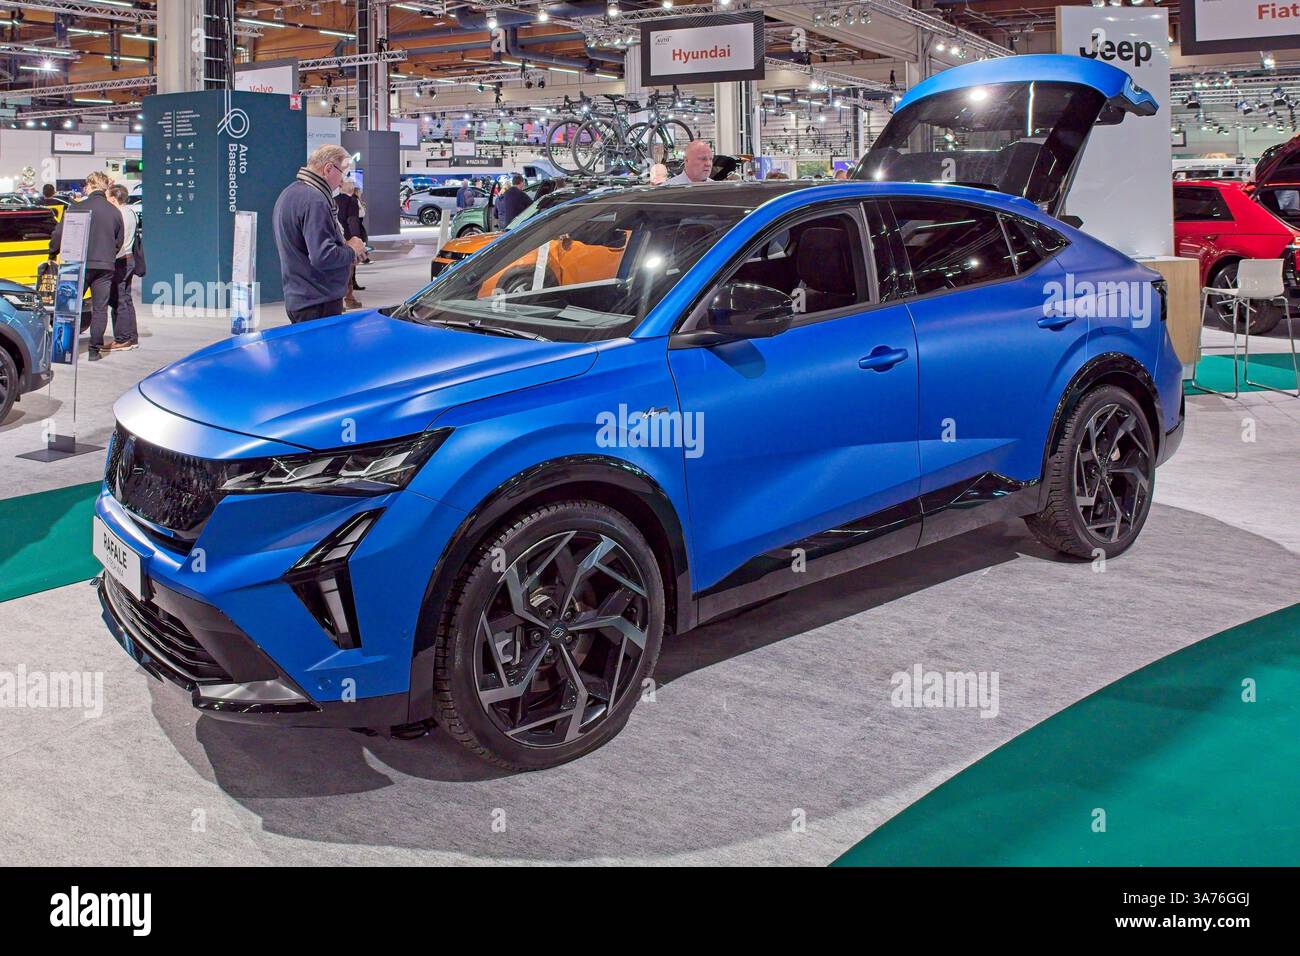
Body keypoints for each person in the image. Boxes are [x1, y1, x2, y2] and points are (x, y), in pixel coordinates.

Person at [272, 144, 366, 323]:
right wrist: (352, 249)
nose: (341, 181)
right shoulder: (315, 201)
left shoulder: (289, 193)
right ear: (328, 169)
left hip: (301, 298)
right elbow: (323, 256)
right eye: (343, 173)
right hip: (319, 303)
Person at [48, 170, 122, 357]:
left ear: (89, 186)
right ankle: (94, 350)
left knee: (69, 305)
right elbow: (118, 241)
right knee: (100, 308)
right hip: (104, 266)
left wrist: (52, 252)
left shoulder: (76, 207)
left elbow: (58, 234)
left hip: (77, 263)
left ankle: (63, 348)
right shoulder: (114, 211)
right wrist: (108, 255)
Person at [104, 184, 139, 351]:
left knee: (119, 301)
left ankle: (122, 339)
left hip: (120, 260)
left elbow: (115, 241)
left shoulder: (118, 215)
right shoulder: (131, 212)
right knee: (126, 299)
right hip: (130, 259)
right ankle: (132, 337)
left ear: (112, 198)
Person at [336, 179, 364, 309]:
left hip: (336, 238)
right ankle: (349, 298)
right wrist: (357, 239)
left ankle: (338, 300)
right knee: (349, 270)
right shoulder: (351, 201)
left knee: (339, 270)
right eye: (351, 184)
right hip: (349, 238)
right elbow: (353, 221)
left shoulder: (333, 199)